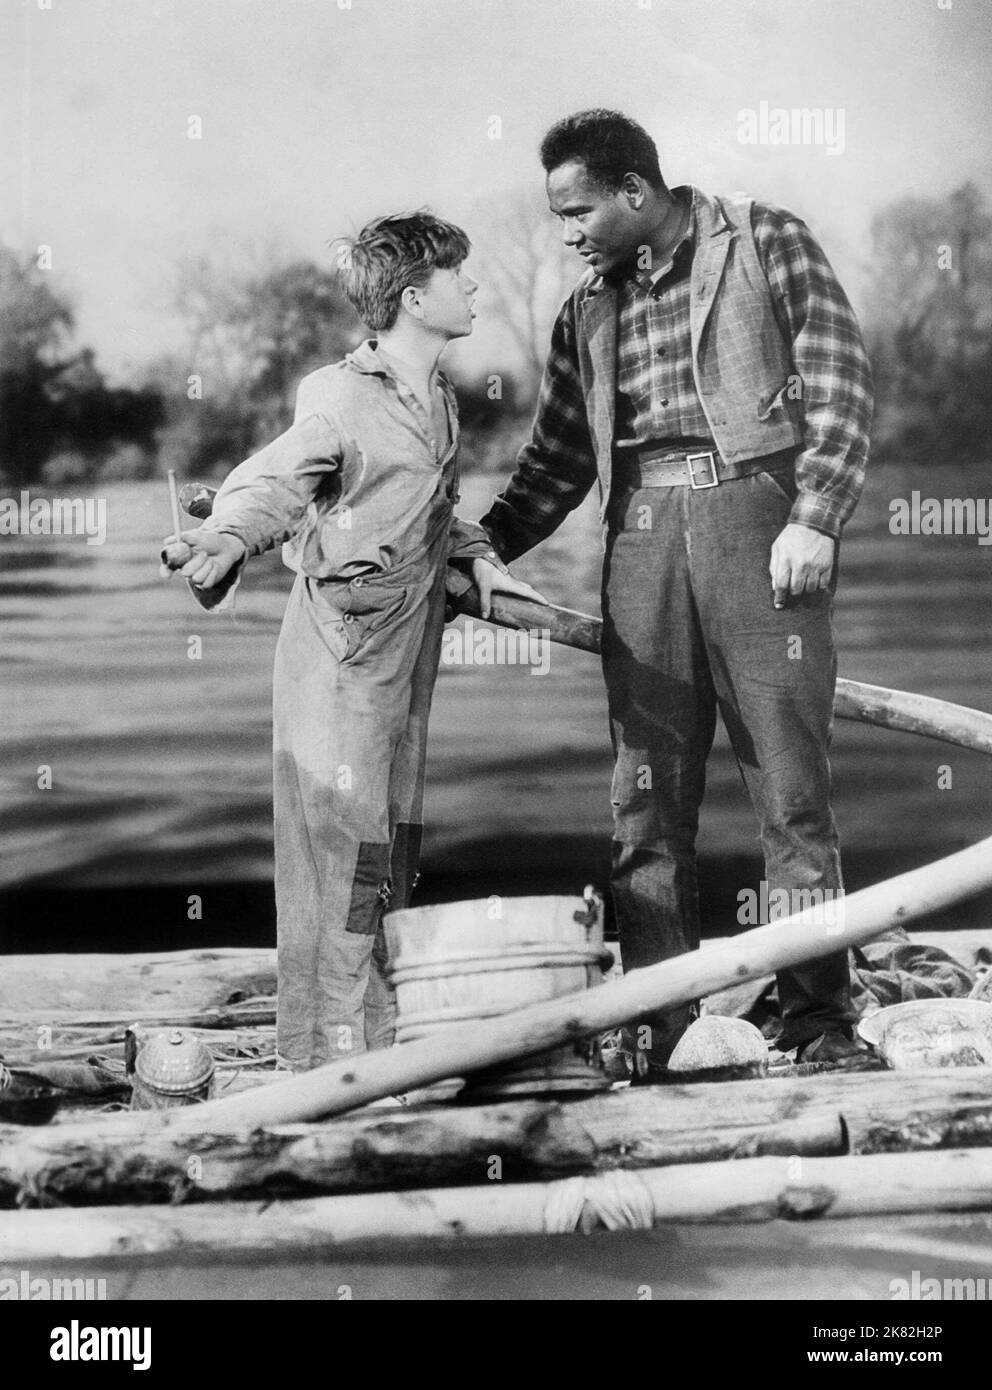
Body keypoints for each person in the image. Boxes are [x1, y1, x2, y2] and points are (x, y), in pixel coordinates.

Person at [478, 110, 874, 1078]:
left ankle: (816, 1017)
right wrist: (477, 549)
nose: (566, 230)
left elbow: (840, 385)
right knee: (644, 801)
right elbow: (558, 460)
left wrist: (813, 516)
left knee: (789, 793)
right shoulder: (585, 307)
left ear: (633, 190)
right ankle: (658, 1020)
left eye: (576, 210)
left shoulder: (762, 238)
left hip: (757, 520)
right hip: (639, 538)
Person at [162, 212, 542, 1072]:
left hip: (407, 656)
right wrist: (224, 536)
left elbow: (432, 510)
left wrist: (478, 559)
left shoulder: (438, 397)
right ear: (416, 297)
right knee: (342, 855)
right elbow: (274, 481)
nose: (473, 287)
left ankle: (374, 1039)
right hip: (340, 658)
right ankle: (326, 1059)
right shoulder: (335, 396)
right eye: (460, 276)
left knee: (389, 846)